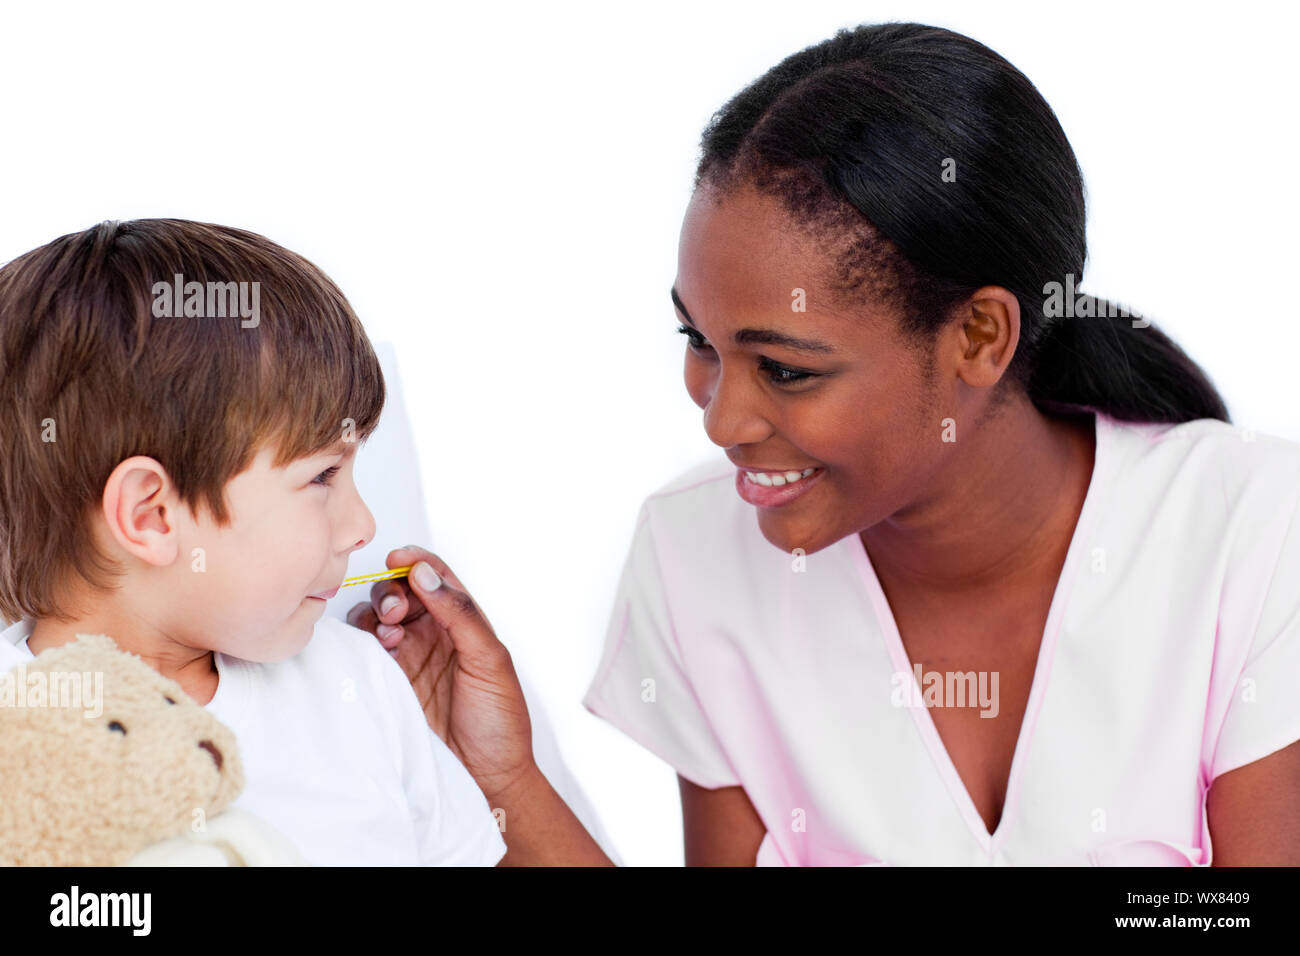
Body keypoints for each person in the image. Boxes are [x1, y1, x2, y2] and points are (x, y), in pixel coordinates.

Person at [355, 21, 1300, 866]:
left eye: (787, 369)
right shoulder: (696, 558)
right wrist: (505, 779)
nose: (721, 422)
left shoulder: (1253, 531)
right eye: (700, 342)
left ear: (979, 336)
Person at [0, 219, 513, 865]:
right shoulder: (14, 736)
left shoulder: (360, 684)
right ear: (153, 515)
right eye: (323, 476)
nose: (364, 527)